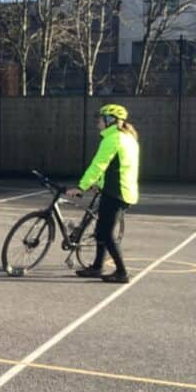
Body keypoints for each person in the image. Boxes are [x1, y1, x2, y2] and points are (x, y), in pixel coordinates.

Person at [67, 104, 139, 284]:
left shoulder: (113, 139)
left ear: (110, 120)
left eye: (100, 119)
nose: (97, 122)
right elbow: (115, 168)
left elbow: (98, 165)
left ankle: (122, 272)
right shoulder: (127, 138)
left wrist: (82, 187)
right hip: (119, 190)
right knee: (100, 231)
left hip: (117, 192)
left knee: (106, 234)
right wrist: (98, 184)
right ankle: (97, 267)